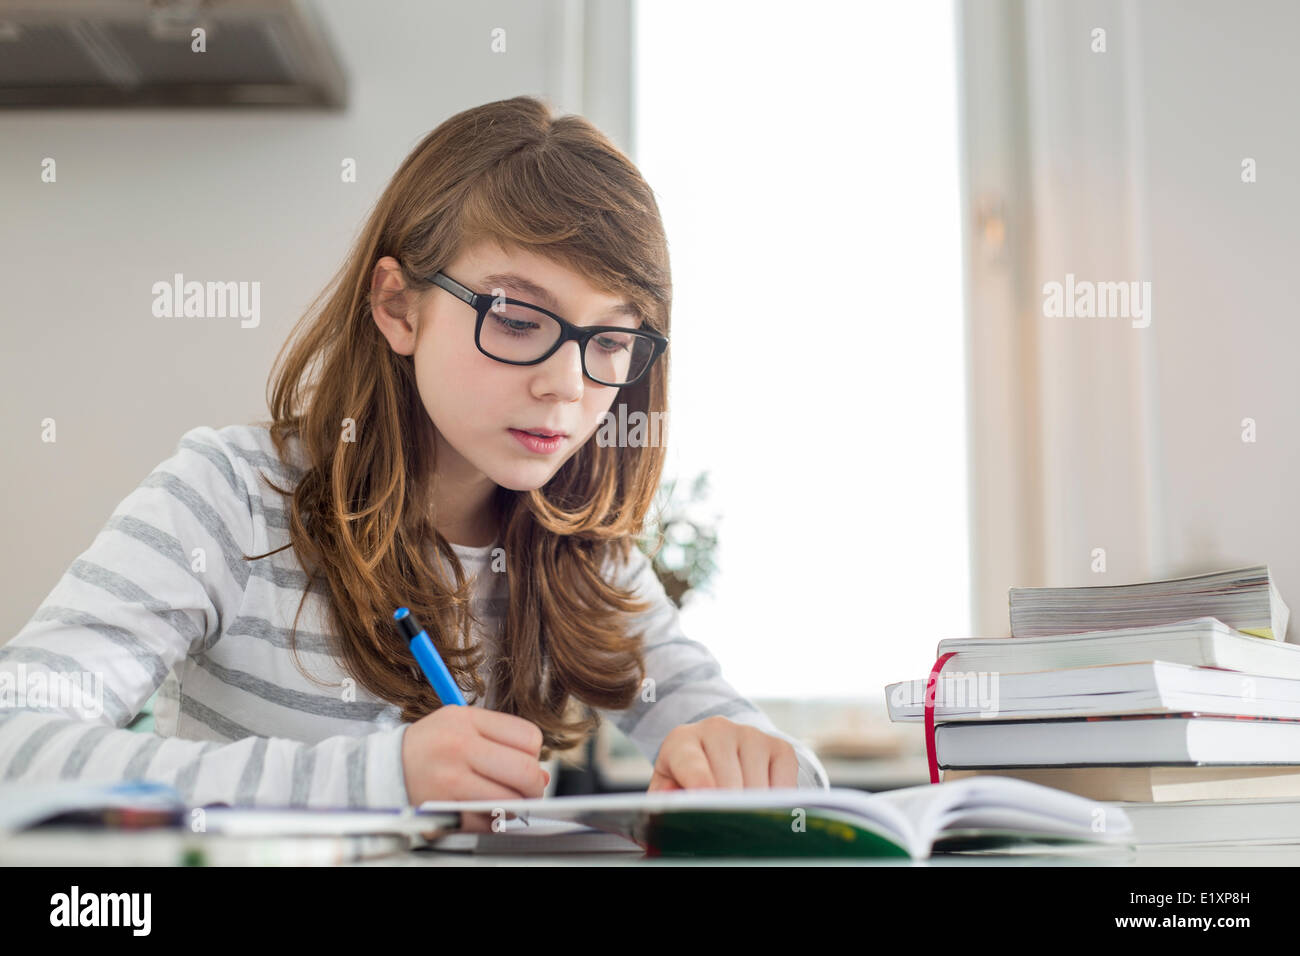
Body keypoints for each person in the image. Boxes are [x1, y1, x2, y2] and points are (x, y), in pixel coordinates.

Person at [0, 96, 829, 822]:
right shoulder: (228, 497)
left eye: (610, 339)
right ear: (398, 307)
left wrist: (754, 765)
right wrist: (375, 779)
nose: (567, 386)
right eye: (514, 318)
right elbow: (15, 750)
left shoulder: (586, 557)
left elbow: (793, 776)